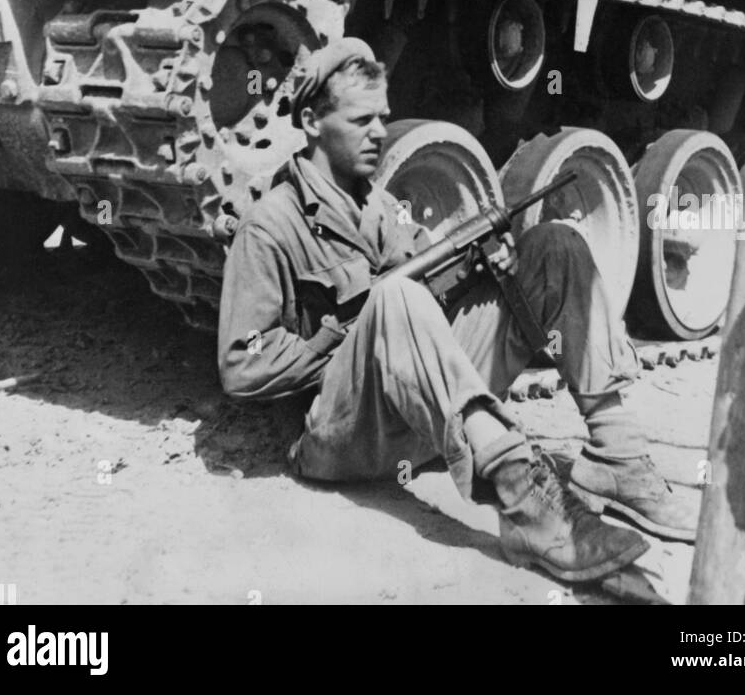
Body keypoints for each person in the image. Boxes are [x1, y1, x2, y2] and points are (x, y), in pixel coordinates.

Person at [217, 38, 697, 585]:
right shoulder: (272, 226)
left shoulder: (374, 204)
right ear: (311, 121)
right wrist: (345, 334)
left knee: (555, 247)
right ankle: (530, 509)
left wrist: (479, 265)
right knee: (394, 298)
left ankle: (617, 455)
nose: (378, 132)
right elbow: (241, 365)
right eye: (361, 120)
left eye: (383, 119)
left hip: (417, 416)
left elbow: (427, 287)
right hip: (340, 435)